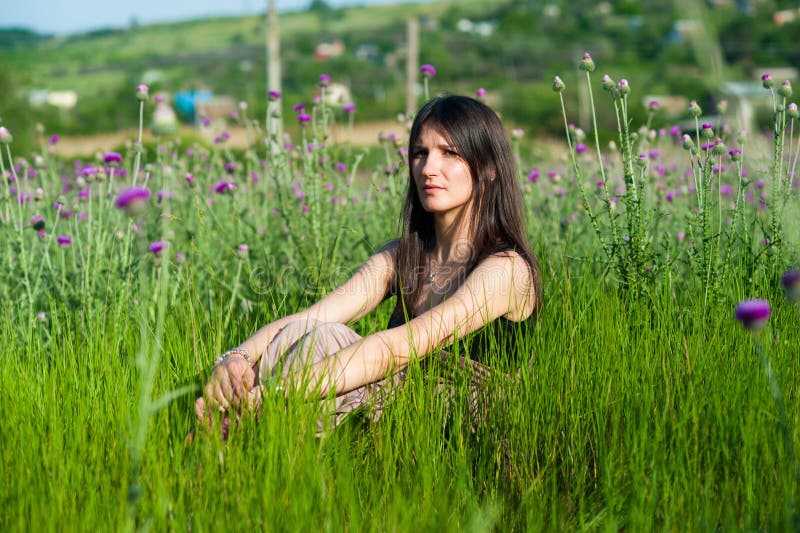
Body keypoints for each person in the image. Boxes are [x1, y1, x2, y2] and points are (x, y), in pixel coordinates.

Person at [194, 94, 542, 433]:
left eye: (449, 153)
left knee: (326, 342)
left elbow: (399, 347)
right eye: (420, 153)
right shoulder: (402, 255)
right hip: (402, 395)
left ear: (490, 169)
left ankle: (245, 432)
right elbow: (310, 318)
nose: (428, 168)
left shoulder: (506, 269)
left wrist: (270, 396)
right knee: (306, 332)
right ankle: (246, 430)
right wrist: (236, 360)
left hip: (464, 416)